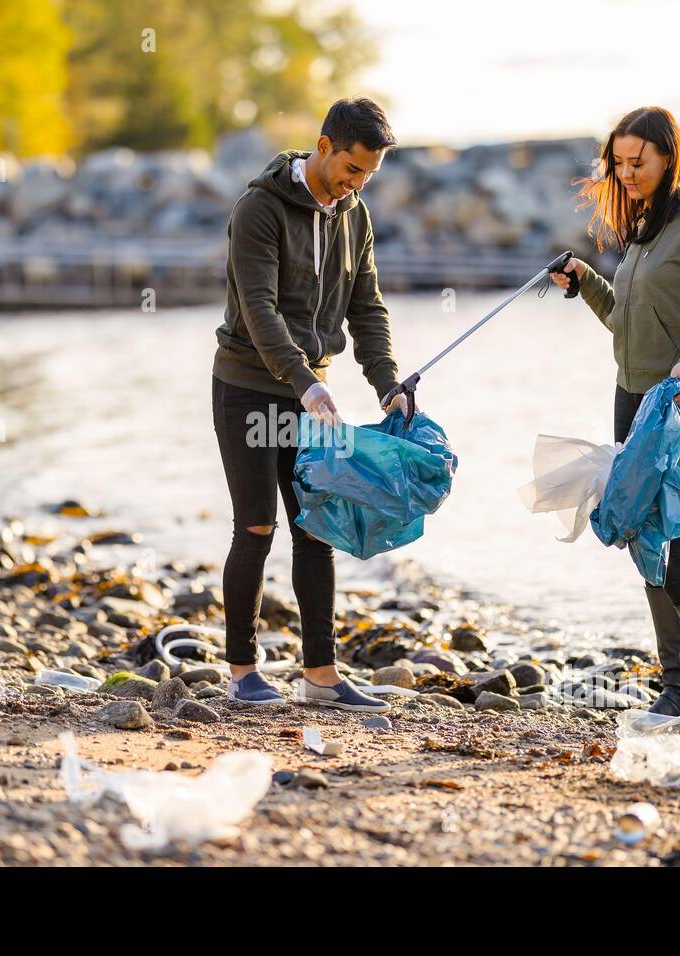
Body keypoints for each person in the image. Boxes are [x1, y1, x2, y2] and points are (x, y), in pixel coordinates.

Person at [551, 106, 680, 741]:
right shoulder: (642, 229)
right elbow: (626, 321)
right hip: (631, 400)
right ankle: (676, 694)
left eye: (638, 161)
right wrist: (586, 281)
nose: (626, 172)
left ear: (670, 157)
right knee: (646, 545)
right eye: (618, 162)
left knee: (675, 546)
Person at [211, 97, 412, 711]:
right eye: (352, 170)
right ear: (323, 147)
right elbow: (259, 310)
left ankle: (320, 675)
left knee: (315, 528)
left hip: (308, 393)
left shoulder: (355, 214)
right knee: (256, 527)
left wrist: (388, 383)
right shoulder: (259, 209)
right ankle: (242, 671)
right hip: (249, 386)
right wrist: (304, 380)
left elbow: (367, 307)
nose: (356, 185)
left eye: (368, 177)